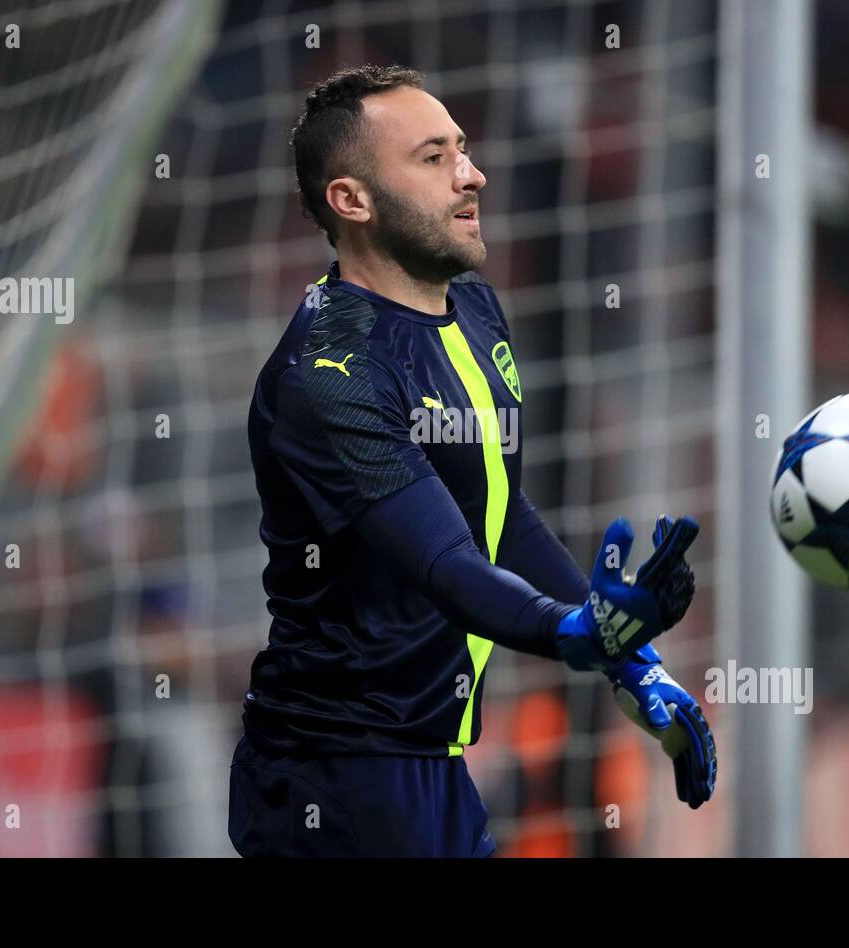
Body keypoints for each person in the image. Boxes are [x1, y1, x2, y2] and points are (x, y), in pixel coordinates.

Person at [229, 64, 714, 858]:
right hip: (335, 777)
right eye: (432, 158)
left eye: (463, 148)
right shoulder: (329, 373)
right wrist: (576, 633)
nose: (472, 174)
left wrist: (633, 662)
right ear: (351, 200)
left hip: (431, 767)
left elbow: (498, 516)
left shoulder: (476, 311)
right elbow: (448, 564)